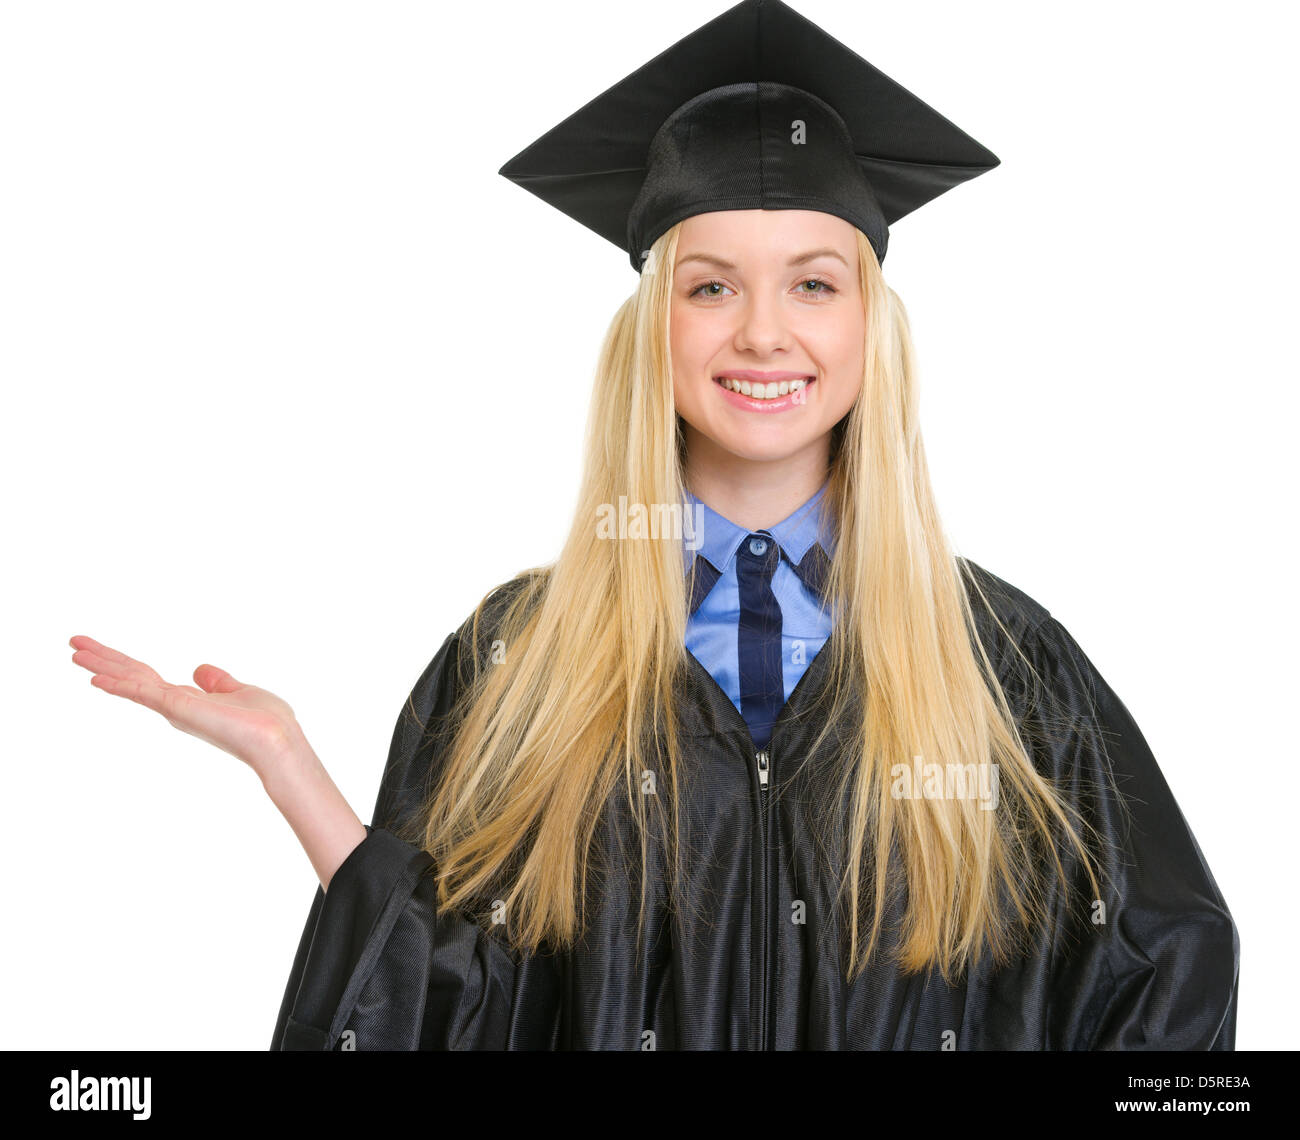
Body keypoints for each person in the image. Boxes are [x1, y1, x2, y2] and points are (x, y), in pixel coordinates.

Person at [70, 0, 1238, 1050]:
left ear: (870, 328)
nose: (764, 332)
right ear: (654, 326)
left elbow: (1162, 981)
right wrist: (294, 774)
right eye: (711, 284)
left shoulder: (1001, 661)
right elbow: (447, 1011)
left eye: (815, 283)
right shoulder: (518, 658)